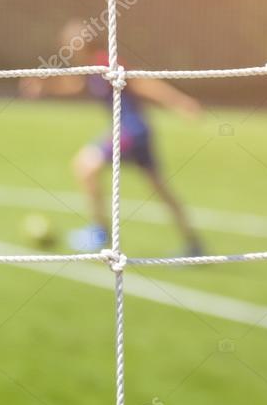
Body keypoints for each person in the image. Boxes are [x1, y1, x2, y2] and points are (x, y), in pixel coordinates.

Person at [19, 19, 205, 256]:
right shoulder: (89, 68)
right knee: (159, 187)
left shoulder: (105, 63)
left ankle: (99, 233)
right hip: (136, 130)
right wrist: (45, 88)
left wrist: (179, 102)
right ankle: (193, 242)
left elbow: (141, 83)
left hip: (130, 130)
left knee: (85, 166)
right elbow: (75, 86)